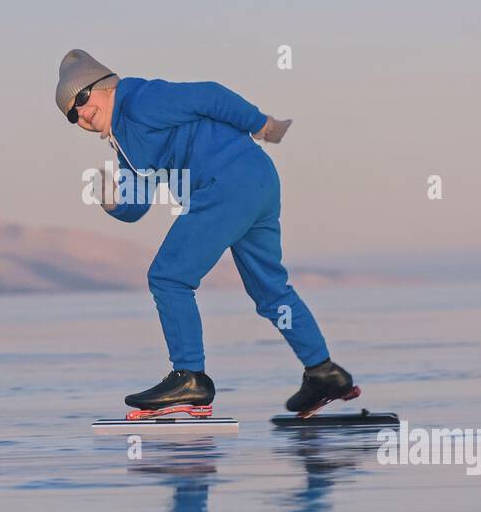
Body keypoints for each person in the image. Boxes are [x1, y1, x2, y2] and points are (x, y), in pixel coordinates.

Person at [55, 49, 360, 417]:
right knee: (269, 288)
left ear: (104, 85)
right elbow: (137, 206)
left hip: (226, 184)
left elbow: (210, 96)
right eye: (72, 115)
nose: (82, 114)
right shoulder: (124, 143)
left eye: (83, 99)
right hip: (256, 182)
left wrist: (262, 124)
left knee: (168, 277)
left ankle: (190, 378)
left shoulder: (139, 100)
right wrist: (111, 203)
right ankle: (323, 370)